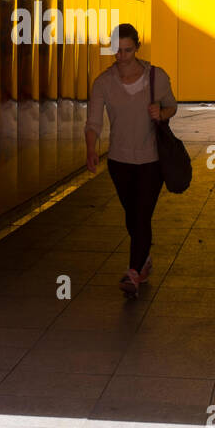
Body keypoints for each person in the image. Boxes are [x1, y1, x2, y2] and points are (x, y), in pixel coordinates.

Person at [85, 23, 178, 297]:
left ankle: (133, 272)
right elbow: (93, 122)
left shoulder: (156, 77)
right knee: (132, 216)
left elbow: (173, 104)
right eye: (117, 50)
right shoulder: (103, 82)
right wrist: (91, 149)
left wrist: (162, 112)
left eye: (127, 50)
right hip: (119, 159)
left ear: (136, 47)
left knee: (141, 215)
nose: (121, 56)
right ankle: (144, 258)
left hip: (151, 159)